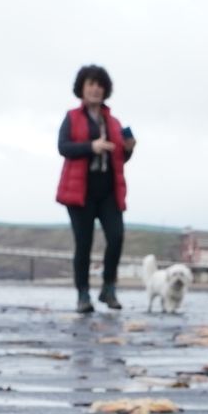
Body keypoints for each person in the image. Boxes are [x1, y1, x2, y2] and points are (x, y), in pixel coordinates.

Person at [56, 64, 135, 313]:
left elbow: (120, 157)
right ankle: (83, 295)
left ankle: (108, 288)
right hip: (80, 191)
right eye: (91, 84)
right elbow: (64, 148)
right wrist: (92, 147)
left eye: (100, 85)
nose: (96, 89)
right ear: (82, 88)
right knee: (84, 243)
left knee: (116, 236)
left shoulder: (113, 122)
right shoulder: (71, 117)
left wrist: (129, 148)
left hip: (108, 189)